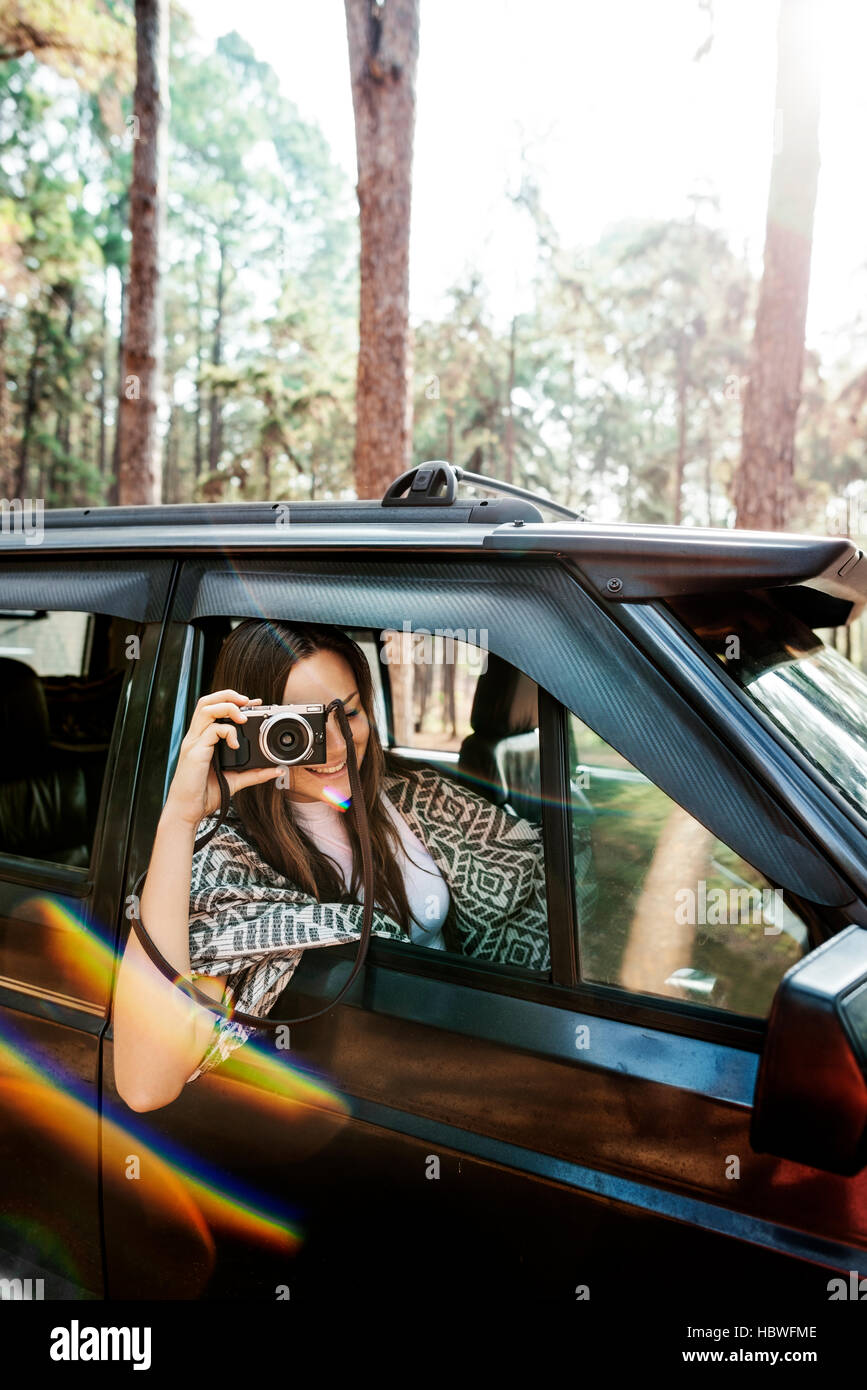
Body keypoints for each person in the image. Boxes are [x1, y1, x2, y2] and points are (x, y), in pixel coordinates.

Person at [112, 619, 562, 1113]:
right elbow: (146, 1085)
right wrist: (181, 816)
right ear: (249, 728)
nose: (336, 746)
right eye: (299, 728)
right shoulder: (227, 857)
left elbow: (548, 877)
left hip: (473, 1061)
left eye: (348, 714)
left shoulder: (414, 794)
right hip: (360, 1103)